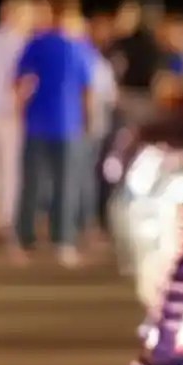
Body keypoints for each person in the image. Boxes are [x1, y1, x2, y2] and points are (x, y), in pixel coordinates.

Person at [12, 0, 93, 267]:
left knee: (35, 185)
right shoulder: (77, 45)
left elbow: (18, 82)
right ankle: (61, 242)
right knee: (62, 185)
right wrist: (88, 121)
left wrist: (20, 110)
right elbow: (88, 91)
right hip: (65, 125)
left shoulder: (43, 43)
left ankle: (27, 242)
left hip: (42, 123)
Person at [0, 0, 35, 233]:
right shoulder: (22, 44)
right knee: (10, 167)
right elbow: (24, 82)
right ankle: (6, 218)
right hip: (9, 113)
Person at [71, 13, 117, 243]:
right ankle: (85, 224)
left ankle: (83, 223)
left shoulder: (92, 57)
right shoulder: (89, 58)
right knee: (85, 176)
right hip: (86, 126)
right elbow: (102, 94)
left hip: (88, 125)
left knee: (86, 175)